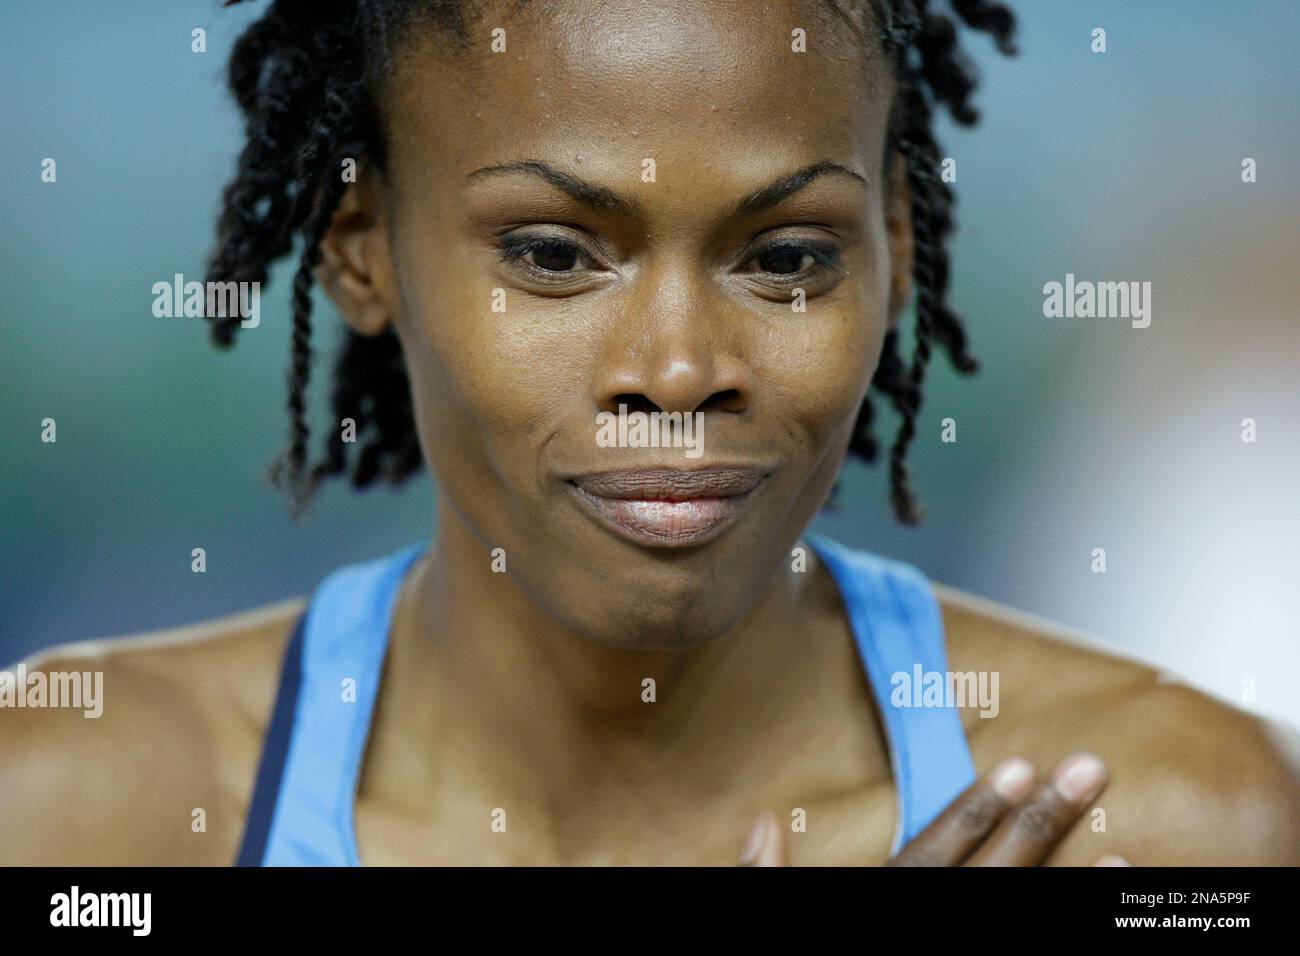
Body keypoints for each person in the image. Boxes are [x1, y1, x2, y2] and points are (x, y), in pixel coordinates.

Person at [2, 0, 1296, 866]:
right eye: (555, 254)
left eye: (785, 256)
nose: (679, 368)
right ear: (361, 253)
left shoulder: (1172, 819)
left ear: (894, 252)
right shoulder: (81, 814)